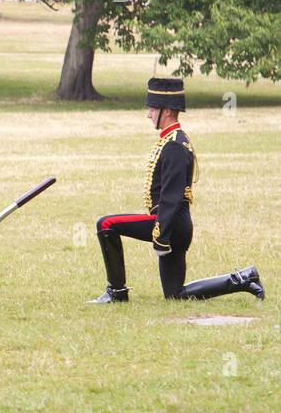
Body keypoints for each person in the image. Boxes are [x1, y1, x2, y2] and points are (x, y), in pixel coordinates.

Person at [91, 77, 264, 304]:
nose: (148, 114)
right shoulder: (173, 140)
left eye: (152, 108)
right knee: (175, 294)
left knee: (106, 225)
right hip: (175, 223)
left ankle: (116, 292)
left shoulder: (173, 145)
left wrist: (161, 237)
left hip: (170, 222)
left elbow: (171, 198)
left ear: (168, 111)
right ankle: (242, 278)